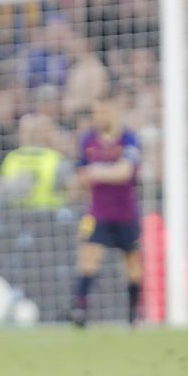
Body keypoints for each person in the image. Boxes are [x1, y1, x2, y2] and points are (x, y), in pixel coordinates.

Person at [69, 89, 142, 327]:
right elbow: (81, 174)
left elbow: (125, 173)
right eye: (95, 112)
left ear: (114, 111)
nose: (98, 116)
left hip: (125, 213)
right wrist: (104, 172)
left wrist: (97, 171)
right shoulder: (88, 139)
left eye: (103, 111)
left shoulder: (129, 139)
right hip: (97, 211)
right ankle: (79, 311)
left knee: (131, 264)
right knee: (88, 259)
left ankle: (133, 315)